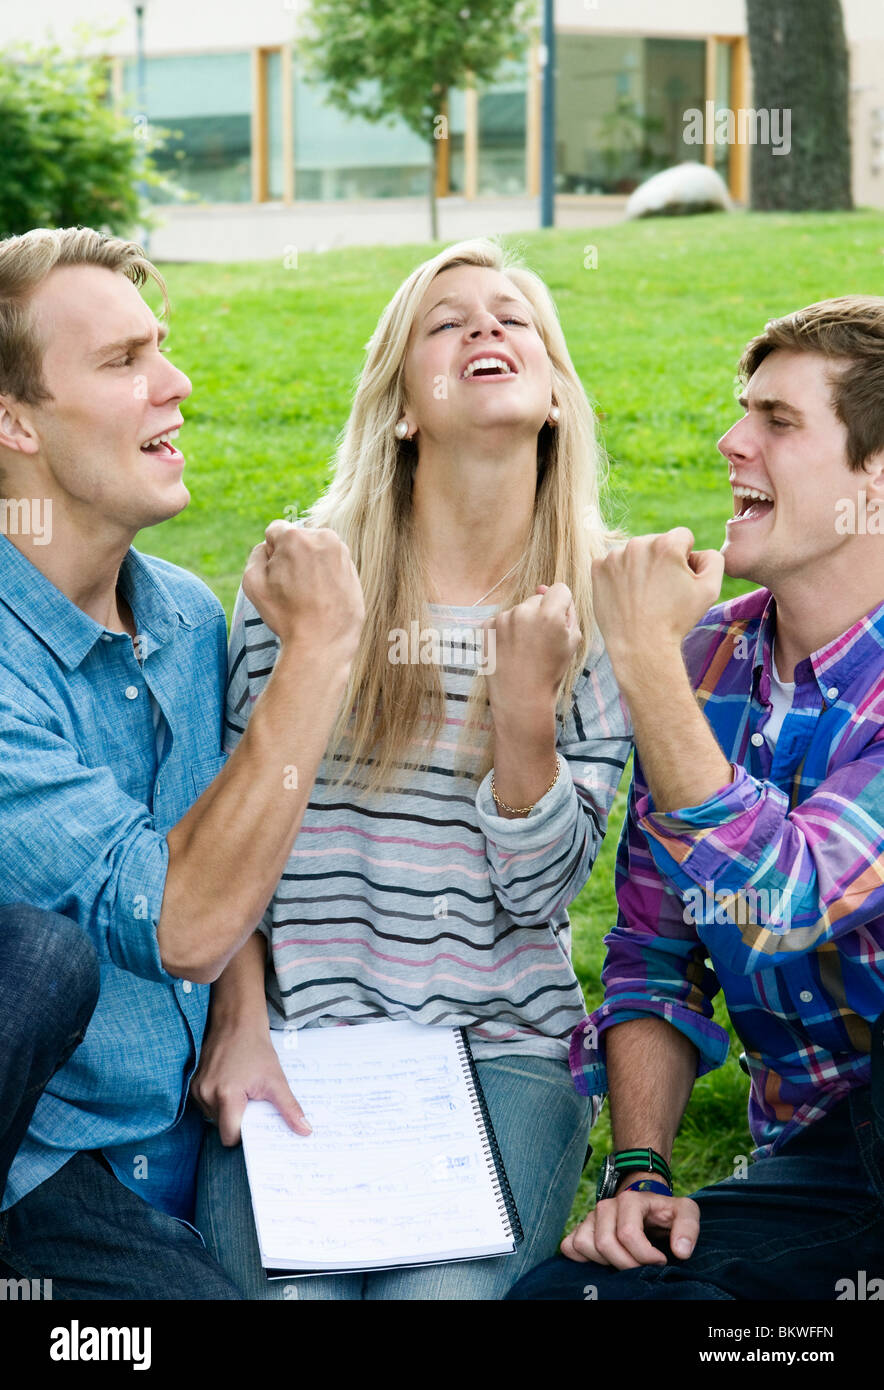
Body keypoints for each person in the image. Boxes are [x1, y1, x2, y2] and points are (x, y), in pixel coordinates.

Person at [192, 236, 633, 1299]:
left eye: (512, 316)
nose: (486, 327)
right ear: (400, 405)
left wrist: (524, 710)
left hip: (501, 1053)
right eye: (448, 321)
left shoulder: (602, 604)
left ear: (555, 396)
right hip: (302, 1047)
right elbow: (233, 843)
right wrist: (242, 1028)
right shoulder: (302, 583)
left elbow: (542, 890)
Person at [0, 226, 364, 1298]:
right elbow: (184, 920)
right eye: (122, 363)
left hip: (149, 1127)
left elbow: (223, 846)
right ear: (13, 420)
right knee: (41, 959)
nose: (176, 381)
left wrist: (245, 1023)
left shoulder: (184, 614)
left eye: (159, 346)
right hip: (34, 1155)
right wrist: (320, 651)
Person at [509, 296, 884, 1300]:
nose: (730, 442)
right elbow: (654, 956)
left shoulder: (663, 664)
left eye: (776, 421)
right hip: (817, 1168)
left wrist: (635, 655)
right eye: (740, 412)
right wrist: (637, 1168)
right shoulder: (705, 660)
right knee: (573, 1297)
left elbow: (785, 903)